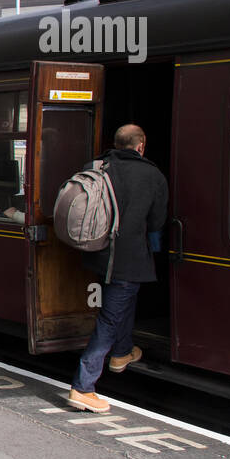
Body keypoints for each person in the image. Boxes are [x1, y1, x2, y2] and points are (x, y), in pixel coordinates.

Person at [70, 124, 168, 414]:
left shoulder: (98, 166)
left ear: (117, 143)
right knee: (110, 319)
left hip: (99, 254)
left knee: (122, 302)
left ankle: (122, 353)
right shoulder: (153, 175)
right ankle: (82, 387)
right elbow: (156, 222)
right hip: (129, 259)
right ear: (141, 145)